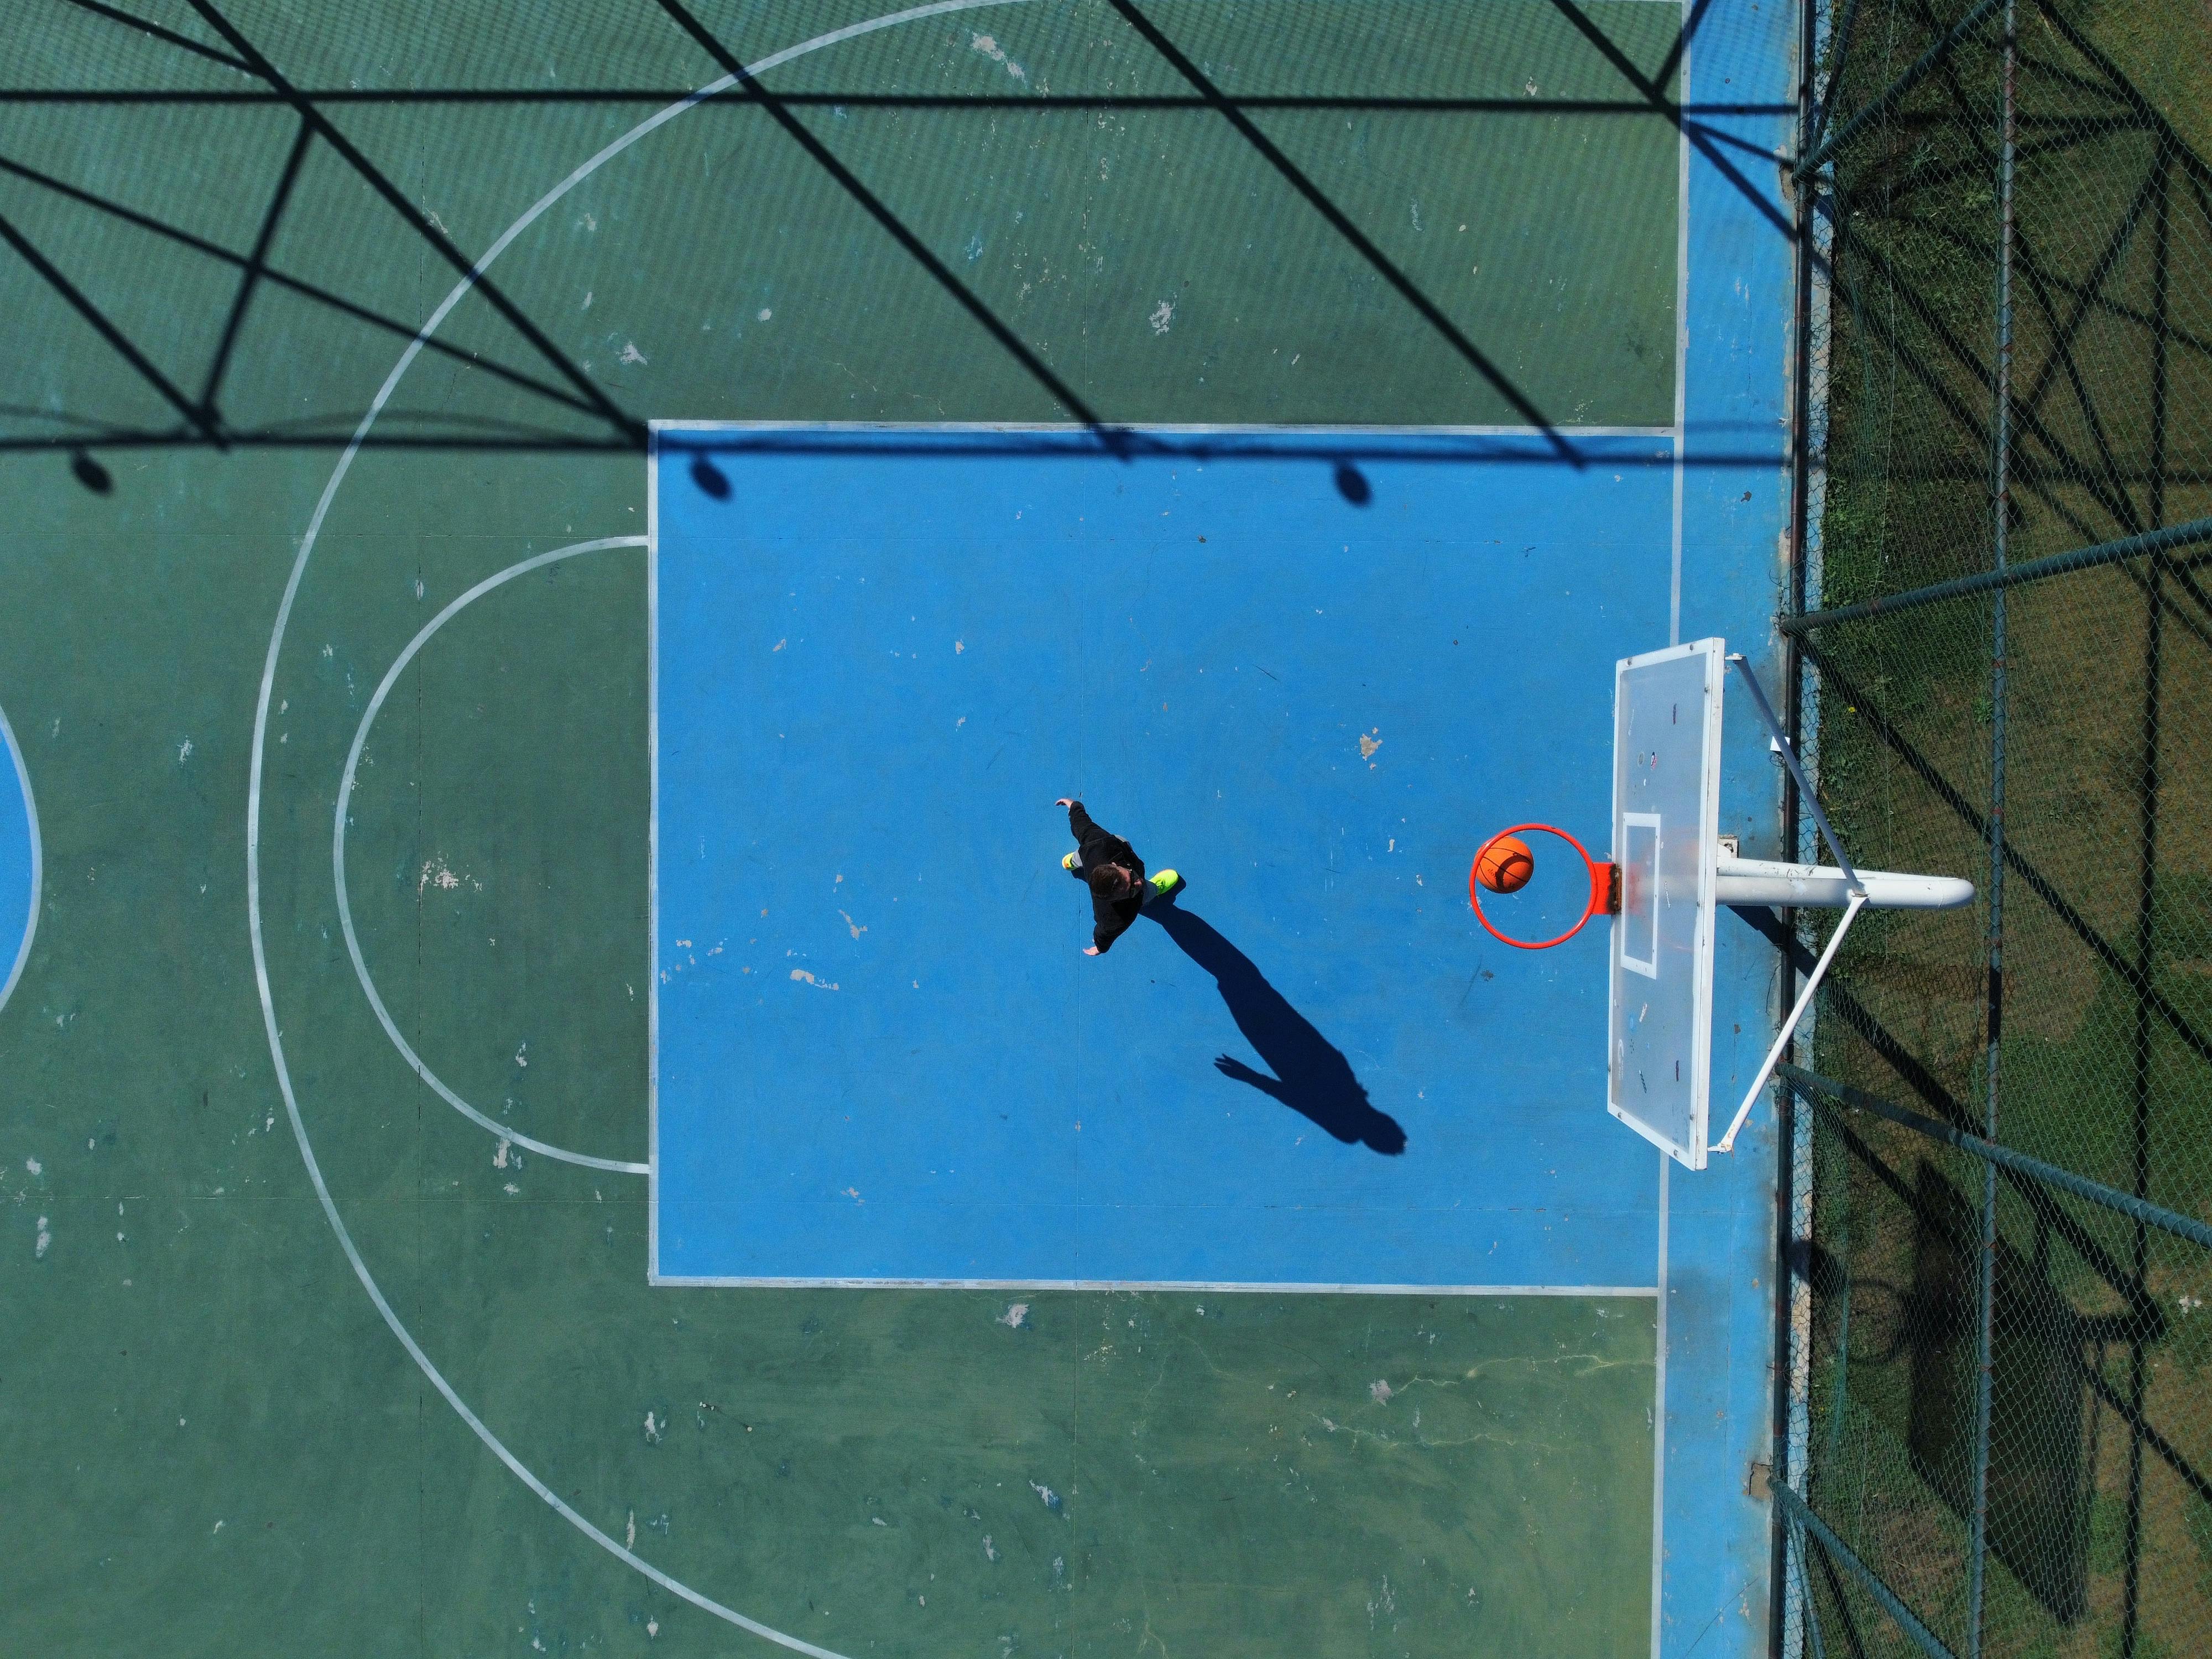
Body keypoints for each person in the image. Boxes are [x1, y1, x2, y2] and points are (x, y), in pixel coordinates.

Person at [1054, 798, 1180, 956]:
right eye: (1131, 889)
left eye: (1131, 877)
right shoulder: (1114, 917)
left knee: (1083, 853)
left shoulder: (1098, 842)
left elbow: (1081, 823)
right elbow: (1104, 933)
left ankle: (1071, 862)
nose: (1139, 882)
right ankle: (1155, 888)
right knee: (1147, 892)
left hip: (1100, 850)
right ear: (1112, 899)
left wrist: (1073, 806)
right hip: (1093, 854)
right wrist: (1100, 947)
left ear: (1114, 865)